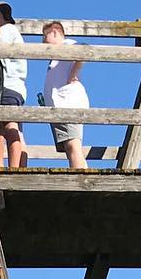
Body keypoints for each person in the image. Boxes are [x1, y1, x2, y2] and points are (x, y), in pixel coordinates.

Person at [42, 21, 89, 169]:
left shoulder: (67, 45)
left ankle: (81, 178)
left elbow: (84, 49)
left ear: (55, 32)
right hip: (60, 105)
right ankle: (80, 174)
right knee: (70, 146)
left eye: (45, 36)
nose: (43, 42)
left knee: (73, 144)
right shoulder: (56, 57)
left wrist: (74, 73)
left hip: (68, 103)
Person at [0, 2, 27, 168]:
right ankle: (19, 165)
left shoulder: (6, 31)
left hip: (7, 84)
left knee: (9, 127)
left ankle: (13, 167)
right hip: (16, 86)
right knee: (14, 128)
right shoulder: (15, 32)